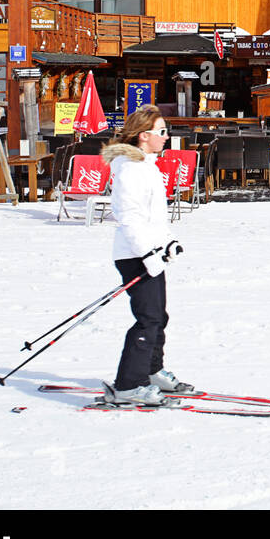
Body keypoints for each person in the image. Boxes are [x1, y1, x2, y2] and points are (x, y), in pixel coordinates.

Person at [101, 106, 190, 406]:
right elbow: (129, 217)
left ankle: (151, 371)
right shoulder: (130, 169)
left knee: (158, 316)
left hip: (151, 253)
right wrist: (148, 253)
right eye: (162, 132)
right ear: (144, 136)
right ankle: (128, 384)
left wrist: (166, 244)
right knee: (147, 319)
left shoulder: (146, 165)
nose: (166, 137)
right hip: (134, 254)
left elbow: (153, 217)